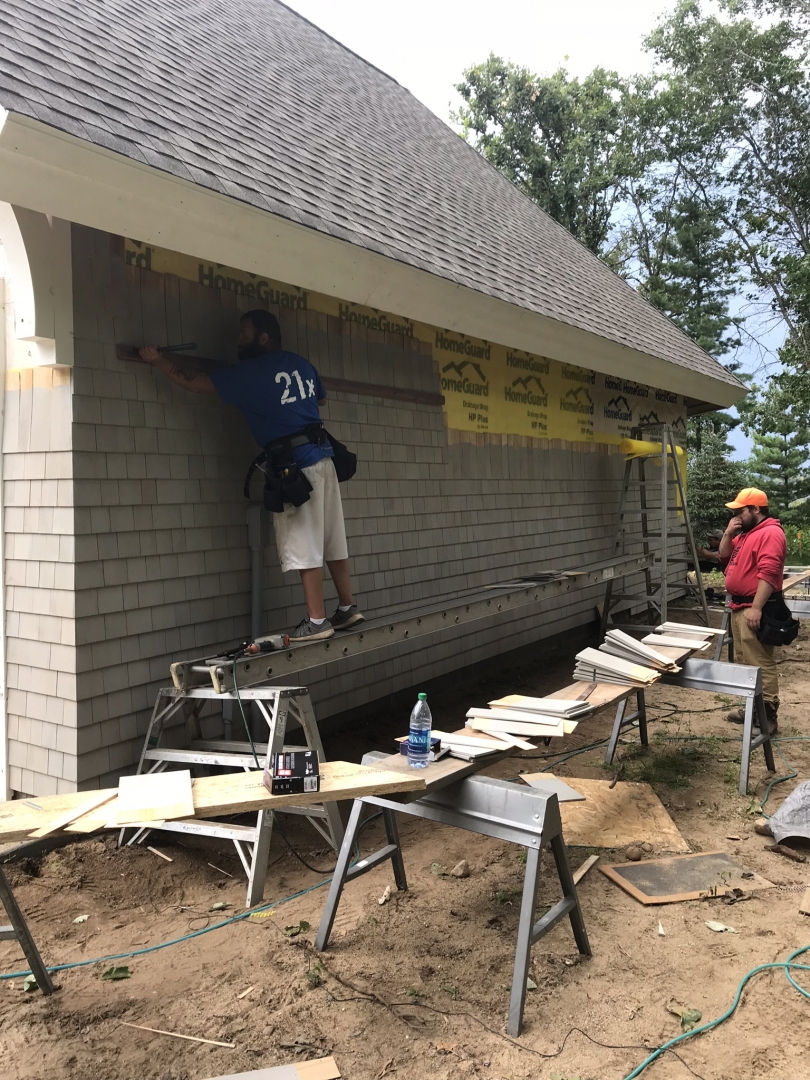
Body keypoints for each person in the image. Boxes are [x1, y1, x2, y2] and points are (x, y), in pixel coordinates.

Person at [140, 310, 363, 642]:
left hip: (295, 467)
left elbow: (196, 383)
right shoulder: (301, 364)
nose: (238, 340)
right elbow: (321, 399)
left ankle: (317, 621)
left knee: (306, 541)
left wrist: (157, 361)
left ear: (262, 338)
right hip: (324, 459)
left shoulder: (250, 372)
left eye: (243, 334)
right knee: (332, 537)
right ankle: (346, 608)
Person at [718, 488, 786, 734]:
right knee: (745, 662)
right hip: (739, 605)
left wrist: (757, 608)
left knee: (760, 661)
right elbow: (724, 555)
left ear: (756, 509)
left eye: (740, 511)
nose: (737, 515)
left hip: (755, 606)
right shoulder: (747, 533)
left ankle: (767, 718)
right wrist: (728, 532)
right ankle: (752, 709)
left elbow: (768, 573)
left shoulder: (770, 533)